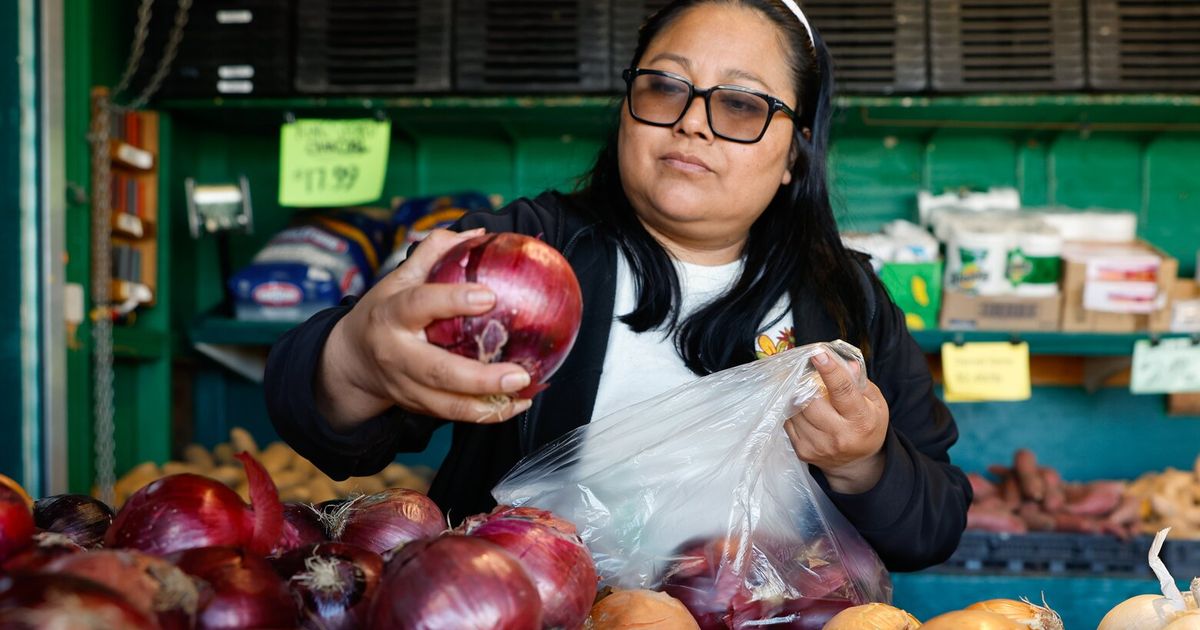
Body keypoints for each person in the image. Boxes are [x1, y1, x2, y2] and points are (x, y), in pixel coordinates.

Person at [265, 0, 972, 572]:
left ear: (796, 152)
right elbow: (317, 421)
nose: (693, 121)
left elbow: (932, 527)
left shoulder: (847, 299)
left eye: (742, 106)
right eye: (665, 87)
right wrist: (356, 358)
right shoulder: (525, 248)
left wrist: (863, 461)